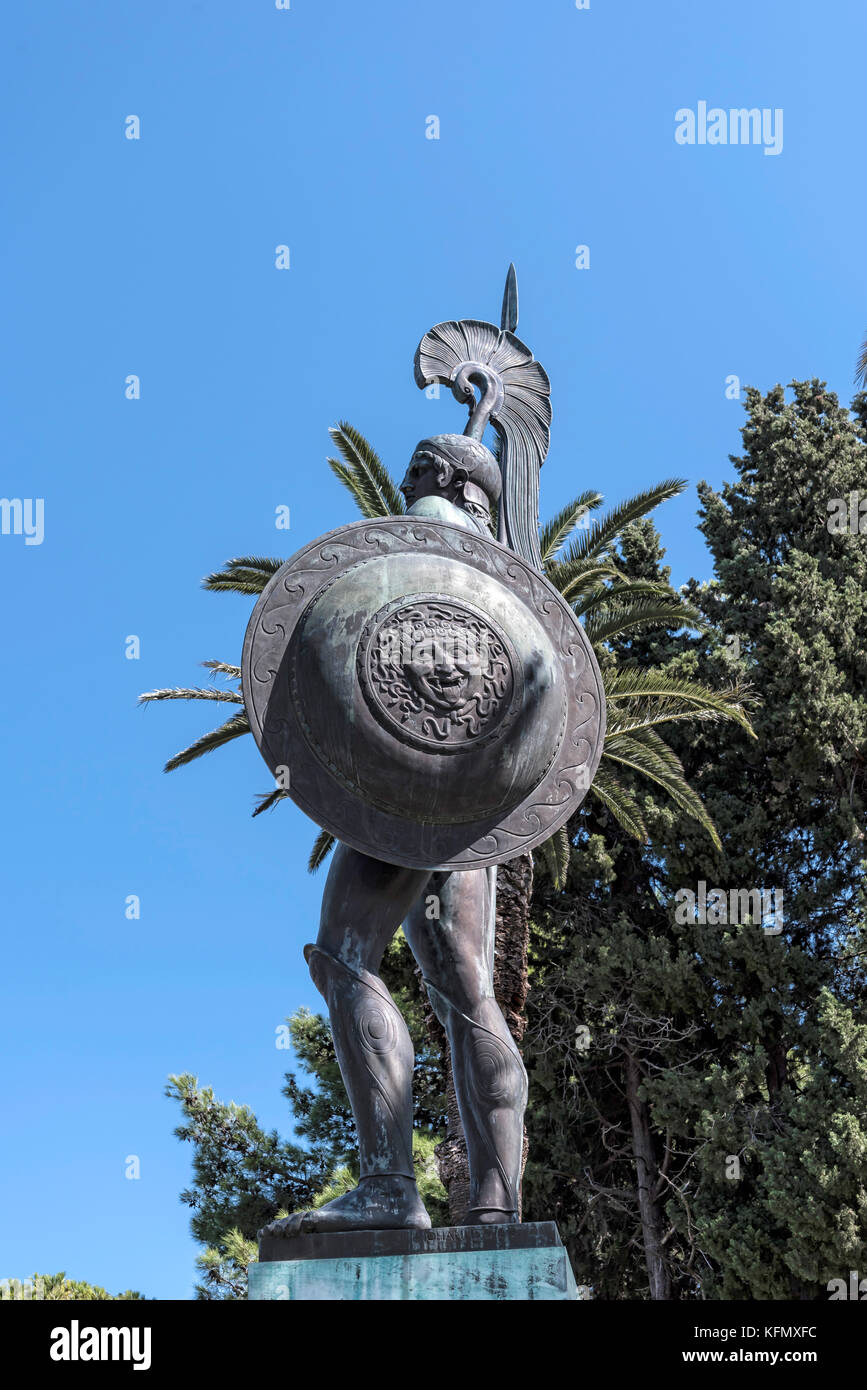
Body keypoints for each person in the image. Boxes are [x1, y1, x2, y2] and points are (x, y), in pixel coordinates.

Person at [261, 435, 528, 1238]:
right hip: (475, 792)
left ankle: (388, 1186)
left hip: (406, 783)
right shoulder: (494, 560)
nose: (407, 471)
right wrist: (486, 421)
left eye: (421, 459)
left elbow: (374, 619)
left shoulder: (427, 525)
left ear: (448, 476)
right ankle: (494, 1201)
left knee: (345, 953)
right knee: (465, 982)